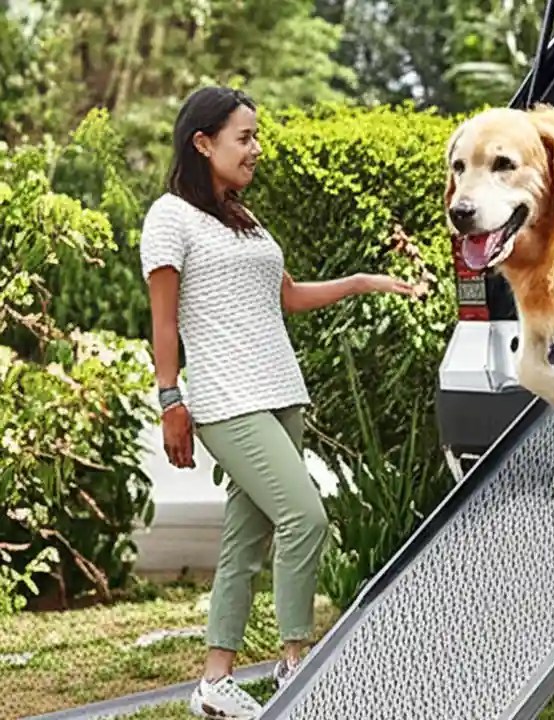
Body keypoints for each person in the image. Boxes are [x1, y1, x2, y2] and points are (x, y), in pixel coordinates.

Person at [139, 86, 420, 720]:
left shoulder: (243, 218)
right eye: (244, 138)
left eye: (256, 137)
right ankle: (297, 664)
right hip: (227, 399)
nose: (256, 149)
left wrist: (361, 282)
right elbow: (164, 322)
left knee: (247, 538)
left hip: (280, 393)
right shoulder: (169, 217)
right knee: (306, 517)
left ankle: (215, 682)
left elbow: (286, 296)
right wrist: (170, 399)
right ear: (202, 143)